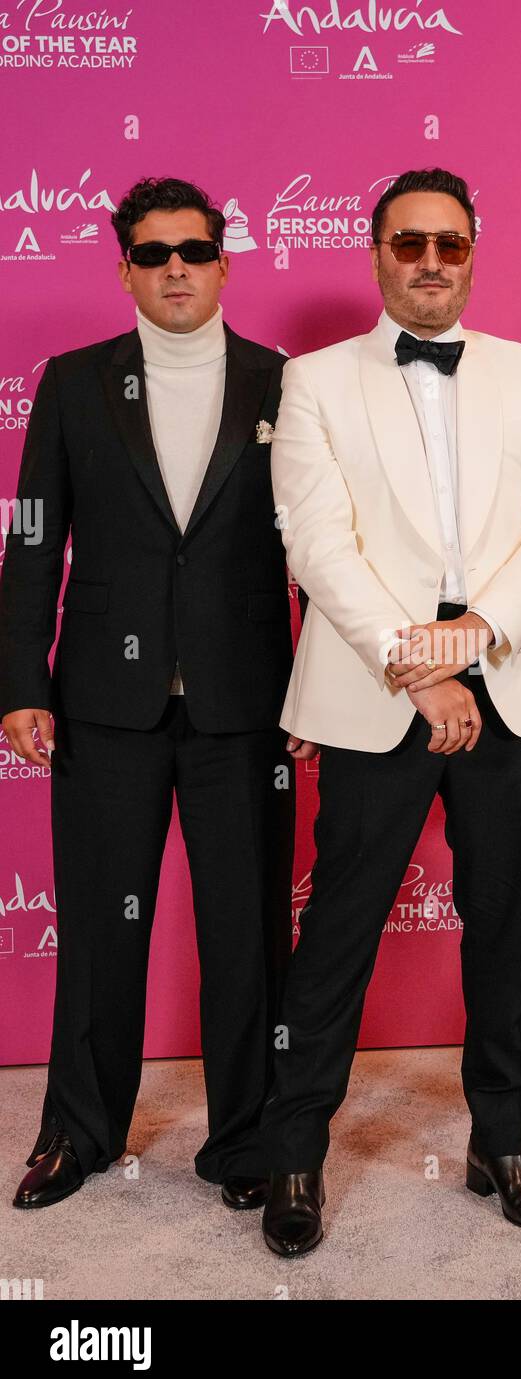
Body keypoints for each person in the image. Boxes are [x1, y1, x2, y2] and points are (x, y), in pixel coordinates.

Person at [259, 167, 521, 1256]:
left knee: (501, 923)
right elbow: (318, 544)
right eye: (409, 244)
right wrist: (420, 664)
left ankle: (502, 1142)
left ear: (472, 252)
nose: (430, 263)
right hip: (375, 685)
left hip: (503, 670)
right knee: (338, 931)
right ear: (376, 254)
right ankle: (294, 1150)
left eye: (449, 244)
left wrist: (474, 635)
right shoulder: (312, 380)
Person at [0, 177, 295, 1212]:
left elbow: (317, 550)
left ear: (224, 262)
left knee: (248, 933)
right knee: (98, 929)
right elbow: (34, 540)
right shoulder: (75, 383)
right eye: (155, 251)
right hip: (101, 707)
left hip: (246, 705)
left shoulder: (280, 380)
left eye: (196, 249)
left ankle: (249, 1139)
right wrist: (18, 682)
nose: (177, 267)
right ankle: (77, 1131)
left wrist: (319, 695)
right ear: (124, 266)